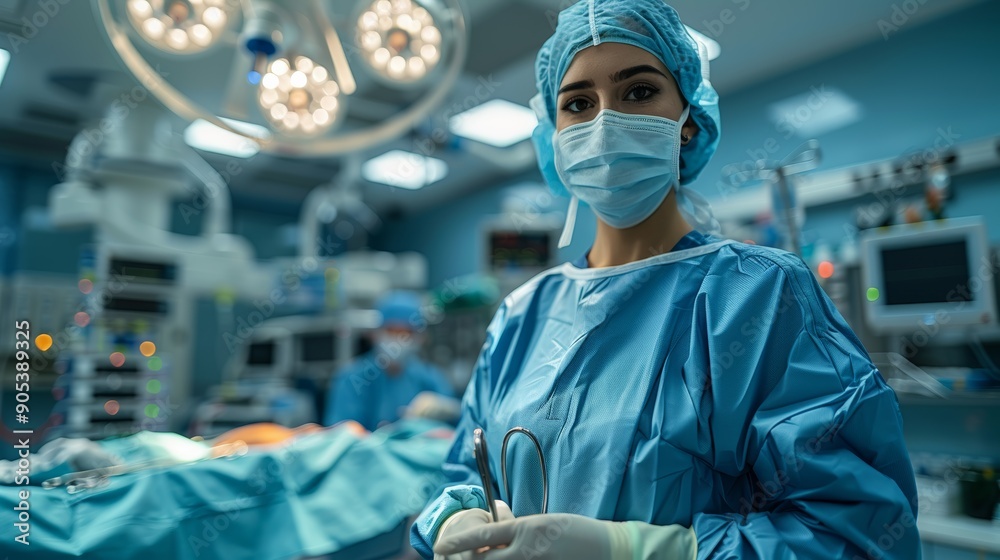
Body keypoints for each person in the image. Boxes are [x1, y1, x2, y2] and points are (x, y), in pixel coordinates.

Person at [411, 1, 921, 559]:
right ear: (553, 139)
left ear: (687, 121)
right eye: (578, 103)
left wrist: (638, 549)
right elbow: (466, 467)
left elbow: (860, 534)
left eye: (637, 92)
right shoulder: (520, 315)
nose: (605, 122)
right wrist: (454, 518)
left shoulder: (757, 295)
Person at [324, 291, 454, 431]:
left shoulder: (430, 379)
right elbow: (340, 435)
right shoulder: (353, 379)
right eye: (391, 331)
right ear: (374, 334)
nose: (397, 340)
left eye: (406, 333)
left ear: (420, 337)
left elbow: (454, 430)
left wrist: (451, 410)